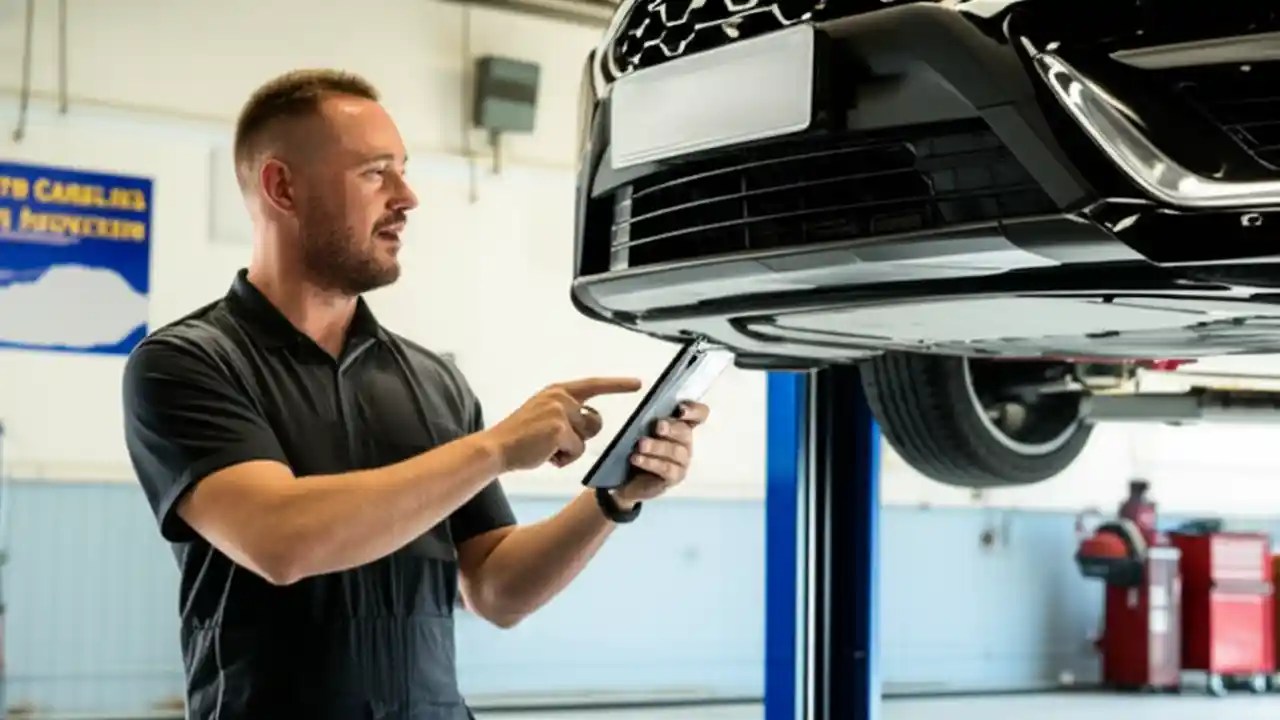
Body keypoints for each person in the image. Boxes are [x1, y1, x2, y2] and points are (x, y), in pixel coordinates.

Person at [120, 68, 712, 720]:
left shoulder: (432, 380)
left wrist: (611, 496)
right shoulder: (188, 364)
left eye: (402, 170)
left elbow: (495, 589)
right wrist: (495, 449)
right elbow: (280, 540)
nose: (407, 197)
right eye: (375, 172)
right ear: (282, 187)